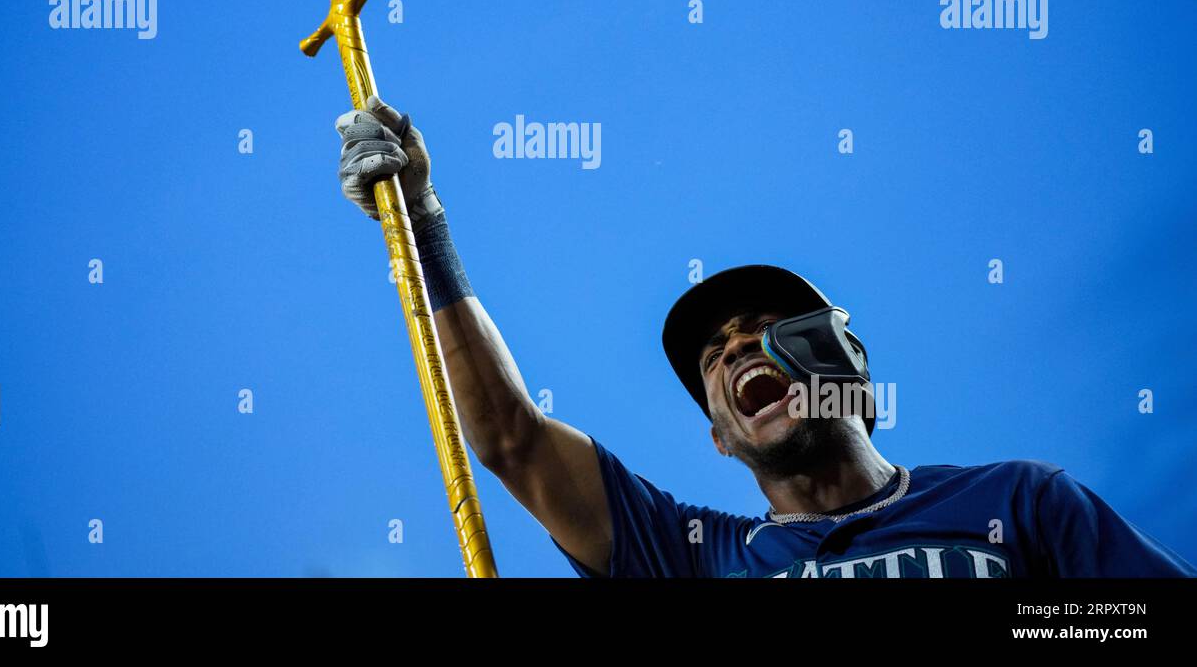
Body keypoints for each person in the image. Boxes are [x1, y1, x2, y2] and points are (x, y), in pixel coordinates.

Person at [334, 96, 1195, 578]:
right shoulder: (695, 558)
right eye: (715, 356)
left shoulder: (1018, 502)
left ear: (852, 375)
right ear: (719, 436)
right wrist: (426, 223)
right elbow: (512, 440)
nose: (738, 349)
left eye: (765, 331)